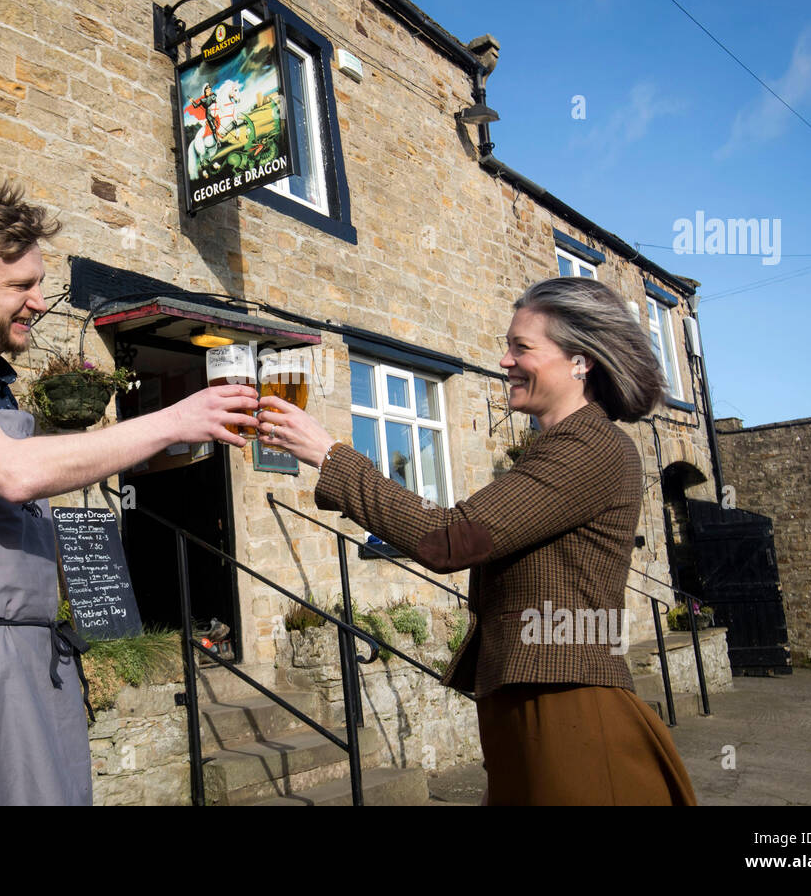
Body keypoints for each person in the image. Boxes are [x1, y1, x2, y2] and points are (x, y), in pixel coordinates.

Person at [0, 181, 258, 805]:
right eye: (21, 287)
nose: (40, 303)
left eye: (39, 284)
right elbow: (14, 472)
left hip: (38, 660)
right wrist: (174, 419)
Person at [256, 276, 698, 805]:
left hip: (566, 705)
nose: (506, 360)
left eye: (522, 347)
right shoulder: (565, 445)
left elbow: (449, 537)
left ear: (581, 361)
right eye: (506, 345)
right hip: (529, 702)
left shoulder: (590, 447)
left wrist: (330, 455)